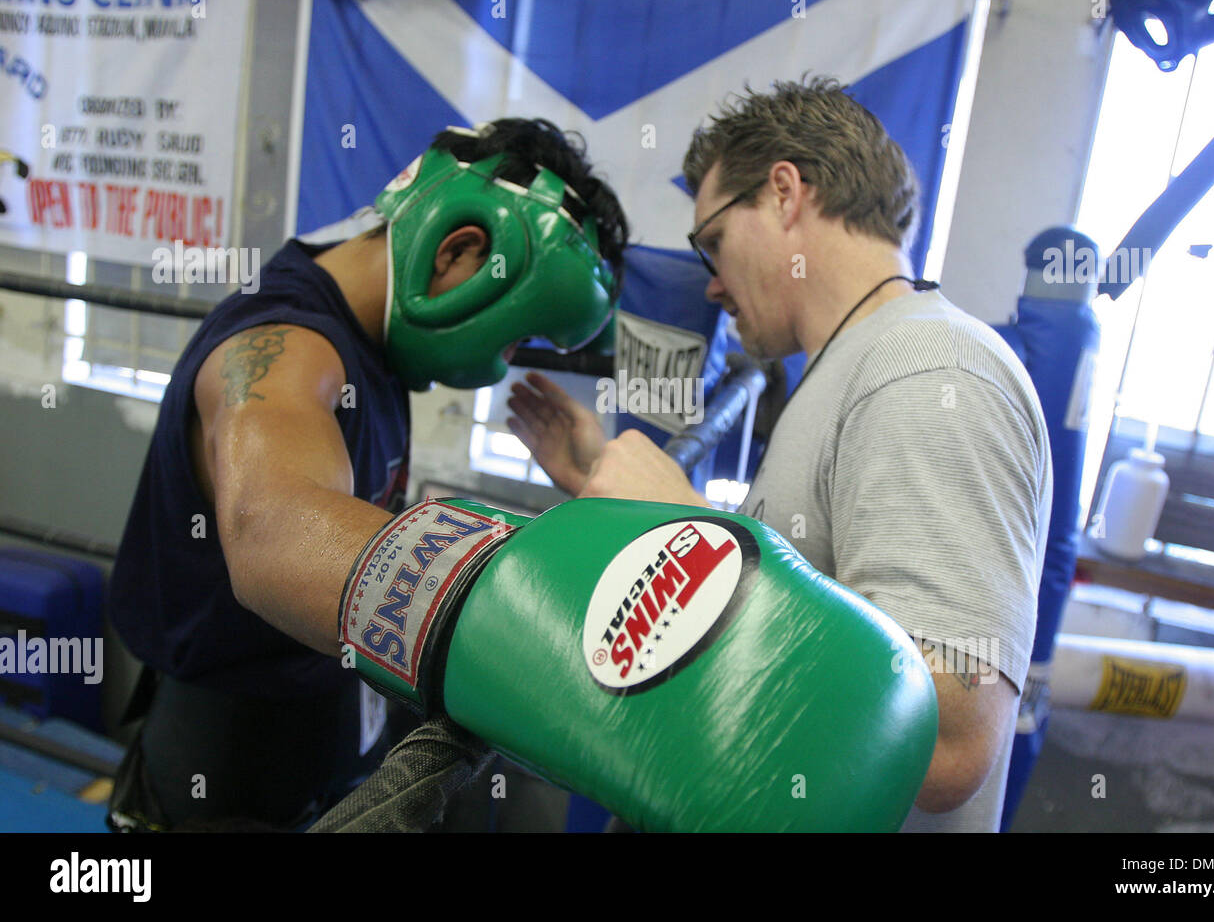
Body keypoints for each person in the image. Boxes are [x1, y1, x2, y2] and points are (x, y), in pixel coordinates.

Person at [507, 77, 1053, 832]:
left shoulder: (928, 368)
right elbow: (816, 605)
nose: (710, 285)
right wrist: (631, 504)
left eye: (714, 242)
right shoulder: (855, 369)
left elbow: (946, 742)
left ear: (785, 194)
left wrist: (689, 529)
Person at [105, 118, 628, 831]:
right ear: (460, 251)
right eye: (515, 337)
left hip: (325, 715)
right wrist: (527, 630)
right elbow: (273, 530)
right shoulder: (282, 347)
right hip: (225, 754)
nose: (504, 363)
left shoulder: (373, 342)